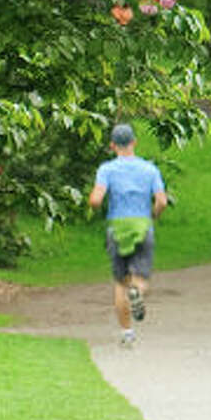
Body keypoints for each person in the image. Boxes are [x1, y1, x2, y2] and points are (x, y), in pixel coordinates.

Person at [90, 122, 168, 348]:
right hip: (143, 226)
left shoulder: (106, 170)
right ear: (134, 142)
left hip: (117, 228)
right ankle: (137, 292)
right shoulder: (150, 169)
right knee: (140, 278)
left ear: (112, 145)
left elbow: (96, 199)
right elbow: (161, 201)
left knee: (119, 282)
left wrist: (95, 208)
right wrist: (154, 215)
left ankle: (126, 332)